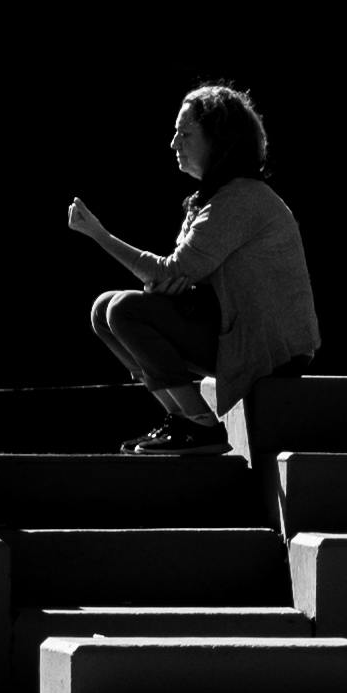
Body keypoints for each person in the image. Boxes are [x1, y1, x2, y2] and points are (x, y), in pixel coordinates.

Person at [68, 82, 321, 455]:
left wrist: (98, 234)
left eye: (185, 134)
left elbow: (169, 273)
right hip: (233, 333)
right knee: (103, 308)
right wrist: (167, 283)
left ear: (220, 141)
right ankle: (182, 421)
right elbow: (175, 278)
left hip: (266, 349)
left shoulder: (242, 200)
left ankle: (201, 427)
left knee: (124, 309)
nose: (174, 144)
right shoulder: (212, 200)